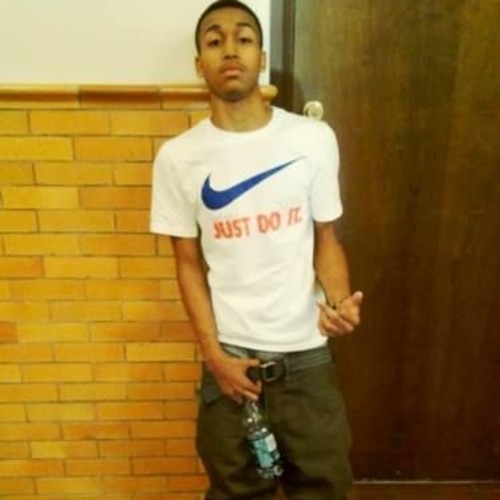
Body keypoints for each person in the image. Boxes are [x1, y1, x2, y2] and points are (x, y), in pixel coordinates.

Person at [150, 1, 363, 498]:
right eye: (215, 40)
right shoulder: (178, 158)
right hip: (231, 366)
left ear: (261, 58)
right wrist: (213, 356)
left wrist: (338, 304)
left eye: (243, 38)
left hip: (307, 361)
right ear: (199, 63)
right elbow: (187, 265)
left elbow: (326, 239)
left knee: (327, 490)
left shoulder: (312, 139)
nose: (230, 49)